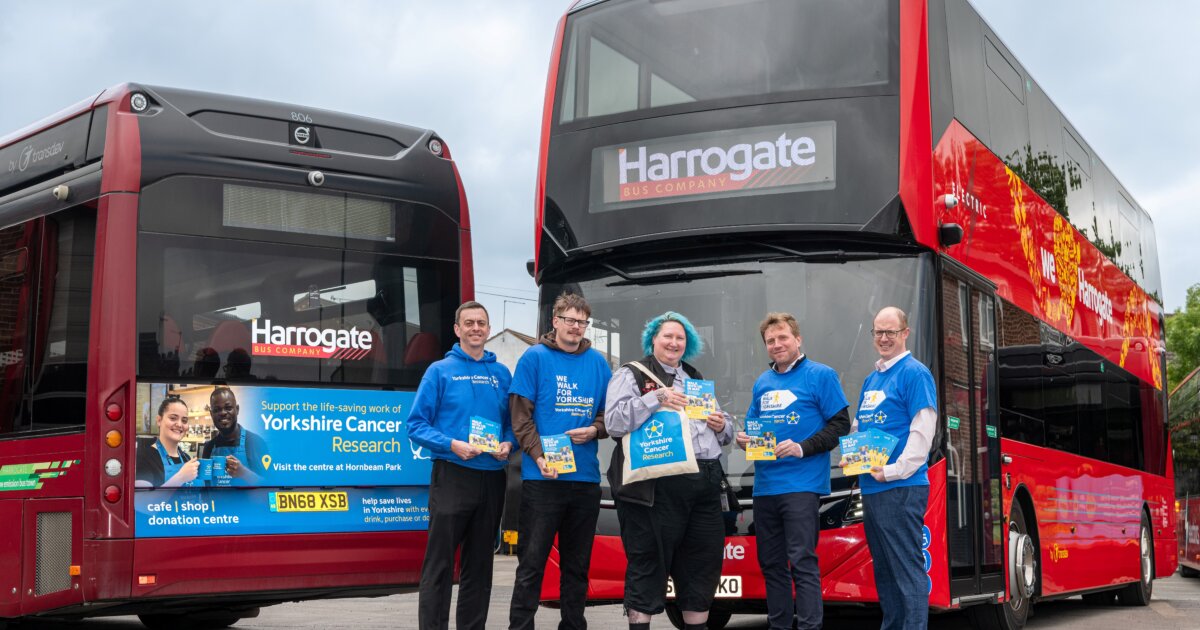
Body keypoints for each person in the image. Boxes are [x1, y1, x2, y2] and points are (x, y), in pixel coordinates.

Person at [604, 311, 733, 630]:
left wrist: (722, 425)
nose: (674, 343)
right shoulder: (631, 374)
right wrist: (656, 398)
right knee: (649, 563)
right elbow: (614, 423)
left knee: (701, 566)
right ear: (653, 340)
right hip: (657, 485)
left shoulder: (695, 377)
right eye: (668, 336)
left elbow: (727, 431)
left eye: (680, 338)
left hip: (705, 482)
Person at [735, 313, 850, 630]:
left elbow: (840, 425)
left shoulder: (821, 375)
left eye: (782, 337)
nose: (777, 344)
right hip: (765, 487)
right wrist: (745, 441)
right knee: (771, 564)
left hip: (802, 485)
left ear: (798, 339)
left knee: (802, 561)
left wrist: (802, 447)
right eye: (770, 340)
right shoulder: (762, 382)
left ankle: (810, 627)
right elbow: (753, 429)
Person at [407, 301, 515, 630]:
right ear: (457, 329)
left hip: (492, 478)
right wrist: (451, 444)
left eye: (481, 323)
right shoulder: (439, 371)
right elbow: (416, 425)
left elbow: (511, 424)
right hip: (452, 475)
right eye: (469, 323)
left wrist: (508, 443)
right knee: (439, 565)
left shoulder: (502, 374)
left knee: (480, 568)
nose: (475, 328)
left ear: (489, 328)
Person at [508, 293, 612, 630]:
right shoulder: (534, 358)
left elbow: (609, 414)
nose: (576, 327)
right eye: (570, 320)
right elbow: (520, 418)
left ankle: (573, 625)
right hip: (543, 480)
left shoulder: (598, 363)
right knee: (531, 563)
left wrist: (595, 430)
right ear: (555, 321)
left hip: (585, 480)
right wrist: (538, 457)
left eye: (582, 322)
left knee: (577, 567)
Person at [846, 306, 937, 630]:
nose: (884, 338)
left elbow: (922, 432)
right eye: (878, 332)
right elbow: (860, 426)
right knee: (885, 572)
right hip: (874, 487)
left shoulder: (915, 373)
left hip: (900, 487)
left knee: (906, 571)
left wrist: (893, 470)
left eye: (891, 332)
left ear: (905, 333)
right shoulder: (872, 379)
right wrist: (851, 455)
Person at [200, 386, 269, 486]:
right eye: (217, 409)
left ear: (237, 409)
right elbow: (206, 488)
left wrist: (244, 473)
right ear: (211, 414)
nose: (223, 413)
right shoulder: (209, 448)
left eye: (228, 408)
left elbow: (270, 485)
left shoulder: (255, 443)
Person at [136, 395, 203, 488]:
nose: (179, 424)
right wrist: (180, 478)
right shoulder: (144, 456)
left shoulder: (186, 458)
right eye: (173, 418)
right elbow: (142, 496)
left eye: (184, 420)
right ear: (159, 420)